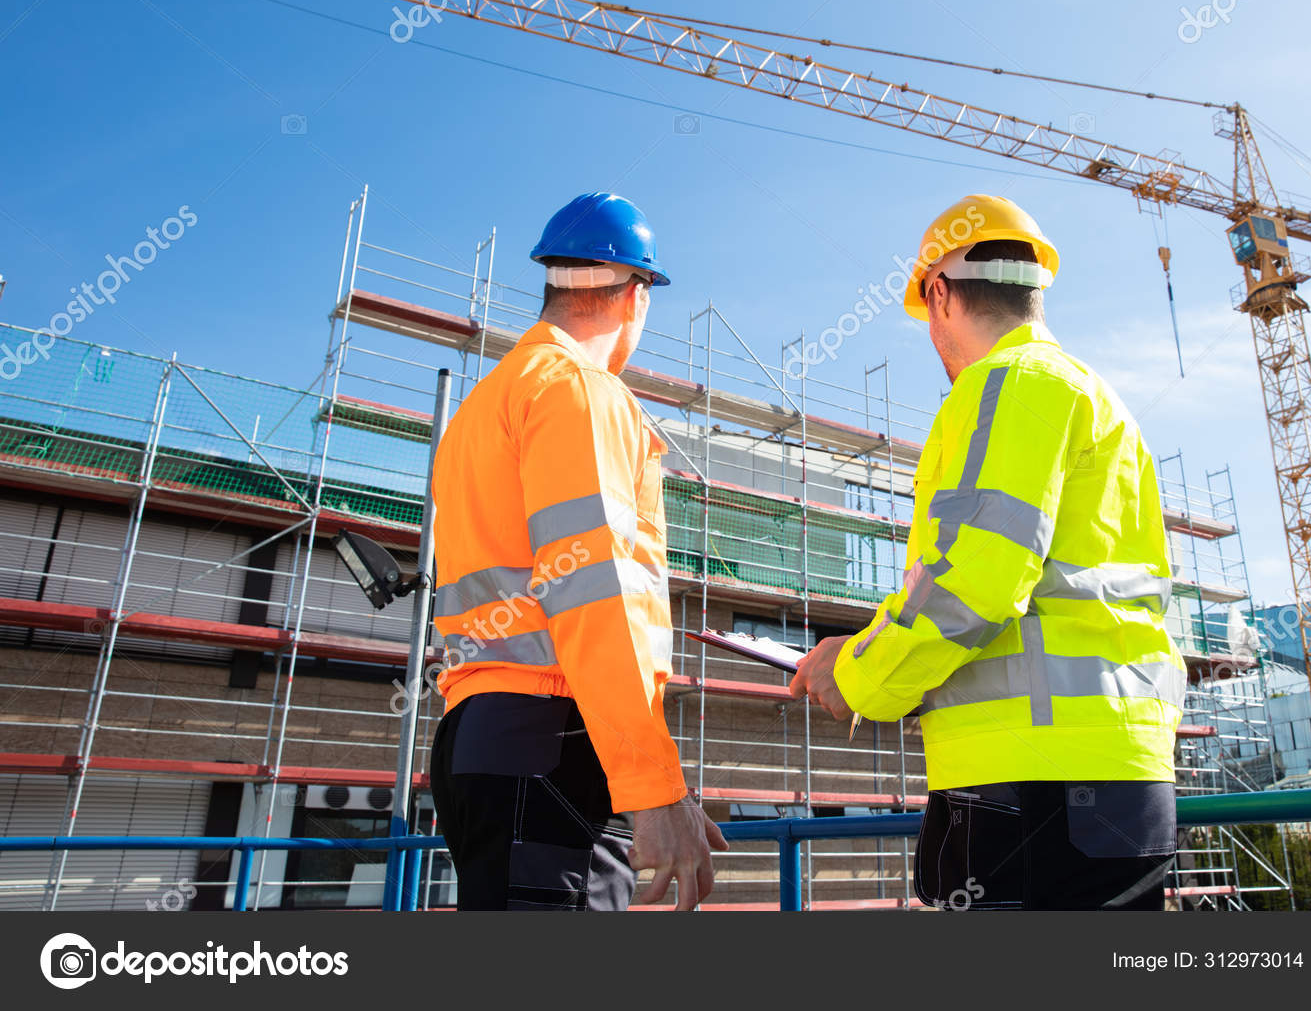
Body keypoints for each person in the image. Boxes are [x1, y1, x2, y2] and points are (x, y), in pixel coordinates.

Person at [790, 195, 1184, 911]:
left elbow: (976, 578)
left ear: (939, 293)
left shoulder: (1007, 384)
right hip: (1118, 777)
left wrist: (860, 676)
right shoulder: (1096, 397)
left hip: (1030, 782)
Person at [428, 191, 725, 911]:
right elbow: (594, 589)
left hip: (479, 736)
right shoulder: (581, 391)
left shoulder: (486, 403)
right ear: (635, 295)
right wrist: (653, 784)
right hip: (553, 736)